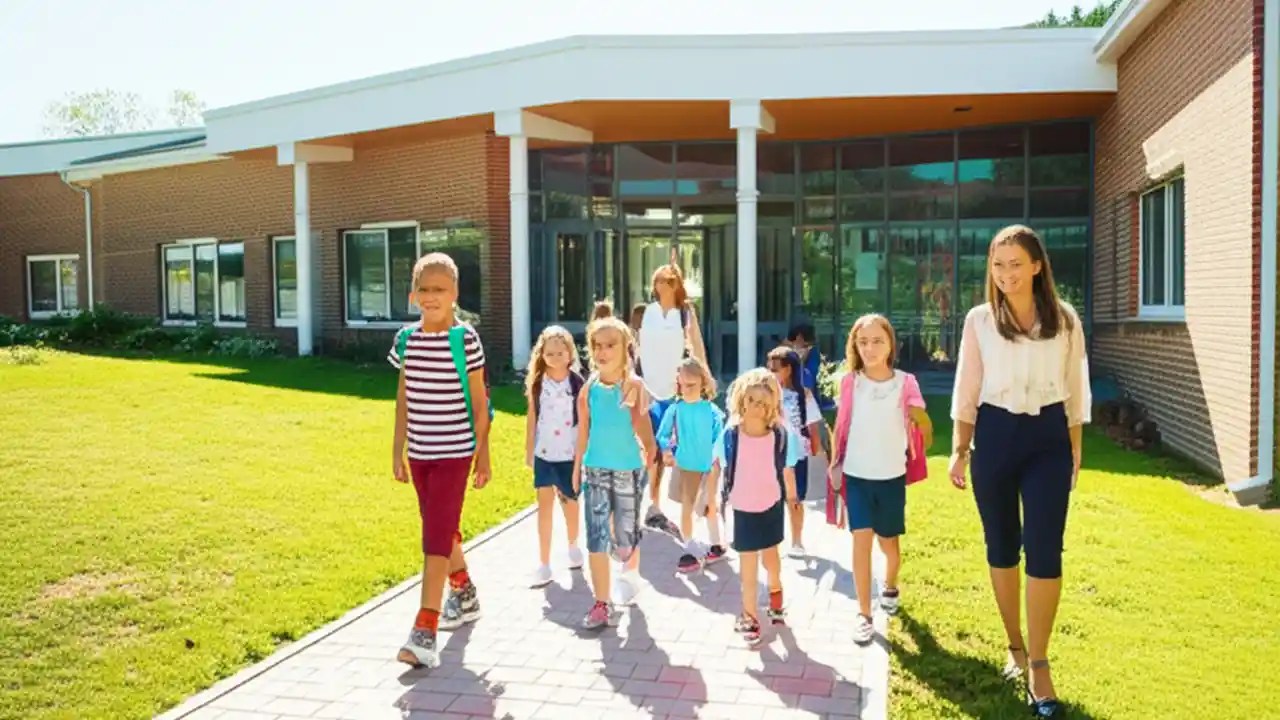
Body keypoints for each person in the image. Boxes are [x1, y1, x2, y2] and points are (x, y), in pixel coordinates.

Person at [949, 224, 1089, 718]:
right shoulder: (980, 321)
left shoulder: (1066, 319)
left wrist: (1075, 447)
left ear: (1036, 266)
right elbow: (967, 386)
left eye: (1015, 263)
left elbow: (1076, 386)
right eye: (998, 264)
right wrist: (959, 448)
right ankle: (1015, 646)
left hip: (1049, 438)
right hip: (996, 436)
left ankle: (1041, 664)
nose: (1006, 274)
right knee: (1002, 545)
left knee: (1046, 548)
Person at [389, 253, 490, 669]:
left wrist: (483, 455)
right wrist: (397, 448)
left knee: (433, 538)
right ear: (413, 295)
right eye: (424, 289)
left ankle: (424, 630)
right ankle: (464, 592)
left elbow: (481, 403)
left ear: (455, 295)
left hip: (455, 451)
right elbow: (403, 398)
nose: (431, 296)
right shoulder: (405, 340)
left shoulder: (464, 339)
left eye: (440, 289)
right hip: (420, 453)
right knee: (440, 527)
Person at [827, 314, 931, 646]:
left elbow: (920, 418)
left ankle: (890, 584)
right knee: (861, 540)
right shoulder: (850, 382)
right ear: (854, 346)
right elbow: (841, 427)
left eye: (877, 341)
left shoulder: (906, 382)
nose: (870, 348)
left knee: (889, 545)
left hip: (890, 477)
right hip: (857, 475)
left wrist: (919, 419)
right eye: (863, 342)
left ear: (890, 344)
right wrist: (834, 464)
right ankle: (864, 614)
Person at [573, 316, 657, 629]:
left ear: (626, 349)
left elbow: (644, 428)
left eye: (611, 345)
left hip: (628, 470)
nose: (603, 351)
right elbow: (583, 432)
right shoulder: (588, 389)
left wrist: (652, 456)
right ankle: (601, 602)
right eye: (597, 345)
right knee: (595, 535)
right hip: (595, 469)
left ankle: (630, 571)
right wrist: (576, 467)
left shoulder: (633, 386)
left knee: (624, 535)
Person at [710, 368, 800, 647]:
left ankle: (775, 595)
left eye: (764, 402)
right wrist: (709, 496)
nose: (757, 407)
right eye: (752, 400)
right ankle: (749, 617)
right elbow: (717, 465)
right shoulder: (730, 436)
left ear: (773, 405)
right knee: (747, 569)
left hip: (771, 506)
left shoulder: (781, 437)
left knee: (771, 561)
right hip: (743, 510)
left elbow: (787, 470)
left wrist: (794, 499)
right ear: (741, 400)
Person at [636, 264, 705, 543]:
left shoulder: (685, 313)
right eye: (658, 281)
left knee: (678, 449)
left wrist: (703, 376)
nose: (661, 286)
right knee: (650, 450)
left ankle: (695, 507)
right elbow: (639, 348)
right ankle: (652, 504)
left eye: (667, 281)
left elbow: (696, 346)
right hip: (649, 391)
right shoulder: (648, 313)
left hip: (677, 391)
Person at [524, 325, 586, 588]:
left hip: (569, 454)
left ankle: (572, 545)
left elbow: (584, 421)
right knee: (544, 507)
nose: (555, 358)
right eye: (550, 354)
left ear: (569, 354)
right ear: (542, 354)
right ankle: (544, 562)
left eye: (560, 353)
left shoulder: (577, 383)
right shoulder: (538, 383)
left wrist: (582, 456)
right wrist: (529, 449)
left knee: (570, 503)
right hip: (544, 454)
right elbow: (532, 418)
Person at [656, 357, 727, 573]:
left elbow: (720, 439)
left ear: (703, 383)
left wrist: (717, 462)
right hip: (686, 465)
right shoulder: (676, 409)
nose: (686, 389)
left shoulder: (712, 411)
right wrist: (667, 450)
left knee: (710, 506)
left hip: (709, 466)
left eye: (691, 385)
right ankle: (688, 547)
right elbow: (662, 435)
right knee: (687, 507)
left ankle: (716, 544)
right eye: (682, 385)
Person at [766, 346, 823, 559]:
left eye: (775, 369)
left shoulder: (803, 396)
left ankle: (797, 539)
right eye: (769, 369)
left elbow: (813, 426)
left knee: (795, 498)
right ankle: (772, 539)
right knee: (772, 499)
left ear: (788, 369)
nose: (771, 373)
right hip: (771, 455)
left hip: (797, 454)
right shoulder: (767, 395)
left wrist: (815, 449)